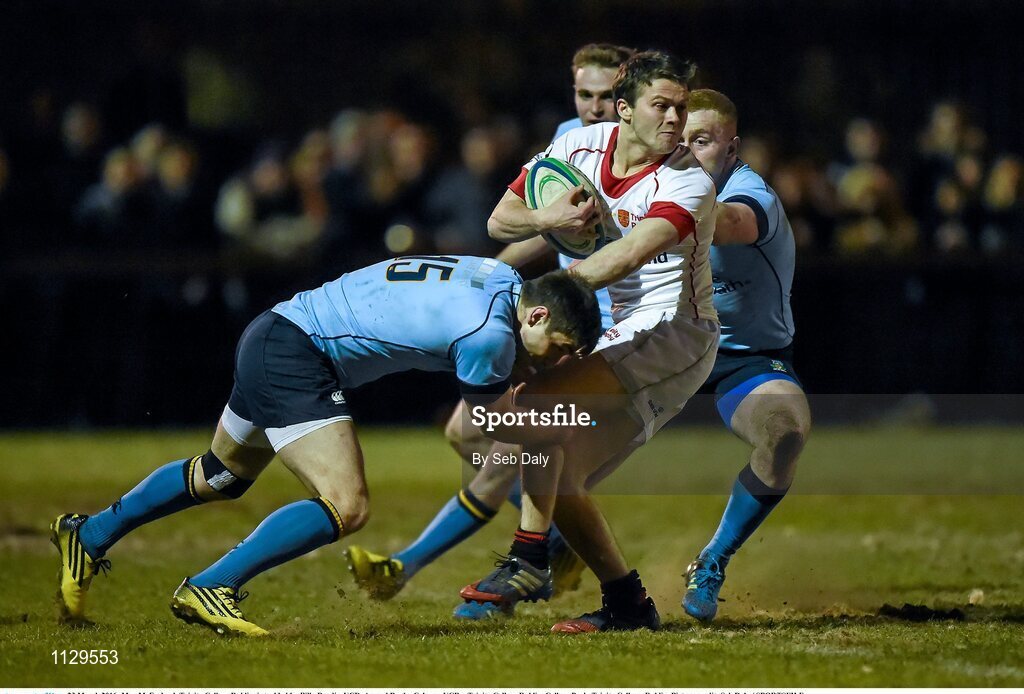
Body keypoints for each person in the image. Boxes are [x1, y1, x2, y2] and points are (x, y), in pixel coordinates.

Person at [50, 256, 602, 636]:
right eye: (555, 347)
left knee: (220, 475)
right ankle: (211, 586)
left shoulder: (500, 275)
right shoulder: (491, 334)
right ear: (536, 315)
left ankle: (89, 533)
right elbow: (486, 425)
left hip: (275, 329)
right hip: (298, 355)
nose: (551, 360)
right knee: (348, 502)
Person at [344, 43, 634, 604]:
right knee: (475, 436)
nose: (595, 108)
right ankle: (548, 547)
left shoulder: (646, 157)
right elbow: (529, 229)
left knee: (510, 448)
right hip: (557, 319)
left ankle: (436, 568)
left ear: (630, 99)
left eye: (607, 96)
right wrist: (487, 281)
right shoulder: (570, 144)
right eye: (585, 94)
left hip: (604, 333)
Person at [457, 49, 718, 633]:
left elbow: (623, 256)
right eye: (662, 106)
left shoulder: (688, 179)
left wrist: (539, 301)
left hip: (670, 334)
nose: (676, 120)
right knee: (558, 471)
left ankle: (527, 556)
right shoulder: (576, 149)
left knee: (529, 412)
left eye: (681, 108)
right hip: (611, 325)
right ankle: (628, 605)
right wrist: (546, 219)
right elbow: (501, 221)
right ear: (623, 109)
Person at [678, 89, 811, 622]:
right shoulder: (649, 187)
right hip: (666, 352)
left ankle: (712, 559)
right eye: (680, 139)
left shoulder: (751, 196)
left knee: (783, 436)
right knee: (558, 428)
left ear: (732, 148)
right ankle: (542, 551)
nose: (688, 151)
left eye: (703, 141)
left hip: (745, 360)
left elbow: (730, 224)